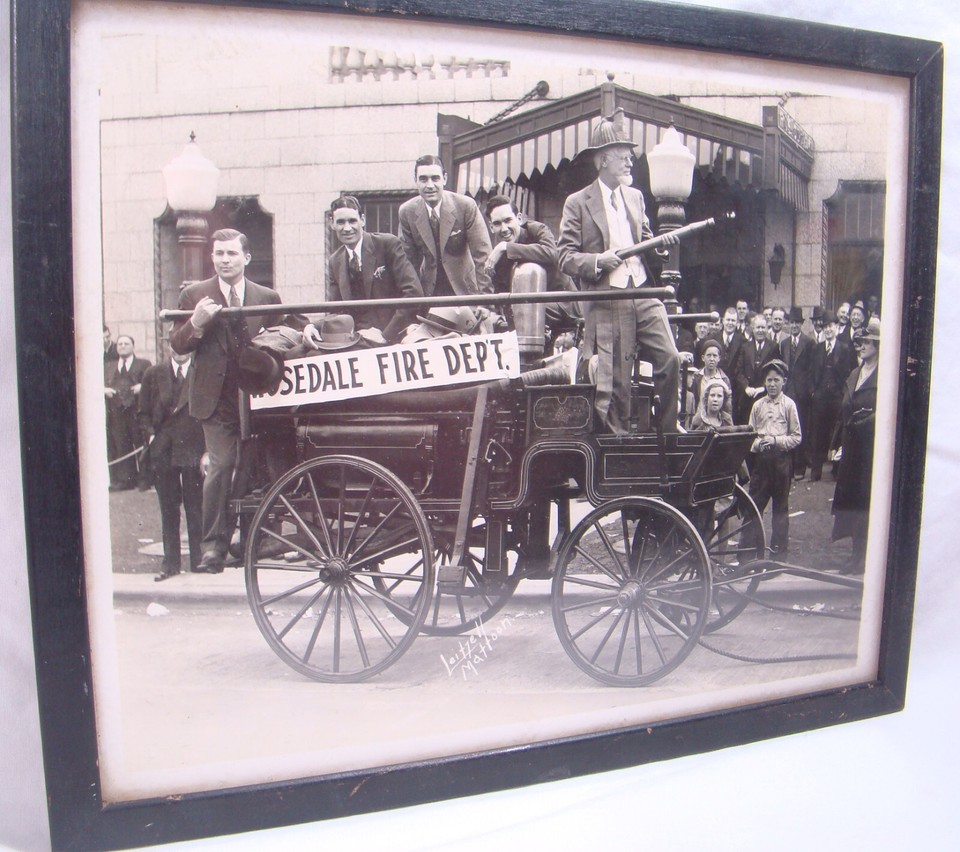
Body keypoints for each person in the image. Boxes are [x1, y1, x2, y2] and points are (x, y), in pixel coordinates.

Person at [170, 228, 301, 573]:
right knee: (222, 464)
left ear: (246, 258)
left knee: (260, 466)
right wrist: (196, 324)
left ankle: (259, 538)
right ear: (212, 257)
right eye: (219, 254)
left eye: (231, 254)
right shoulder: (194, 295)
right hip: (216, 398)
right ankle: (213, 546)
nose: (224, 260)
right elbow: (179, 344)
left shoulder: (266, 296)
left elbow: (290, 327)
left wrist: (308, 331)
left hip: (259, 393)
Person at [557, 112, 679, 434]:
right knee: (617, 386)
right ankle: (619, 452)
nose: (630, 163)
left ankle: (665, 438)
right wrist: (598, 261)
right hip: (609, 298)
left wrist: (661, 249)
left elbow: (647, 242)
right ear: (602, 160)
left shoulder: (636, 198)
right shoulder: (577, 203)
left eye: (629, 156)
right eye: (623, 157)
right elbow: (564, 256)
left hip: (642, 292)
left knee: (670, 359)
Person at [305, 195, 423, 347]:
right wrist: (314, 326)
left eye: (352, 221)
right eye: (340, 222)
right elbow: (336, 311)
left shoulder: (387, 244)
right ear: (332, 224)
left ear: (362, 220)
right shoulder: (335, 261)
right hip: (354, 339)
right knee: (298, 353)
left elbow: (413, 293)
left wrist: (385, 335)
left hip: (392, 337)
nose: (347, 228)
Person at [138, 345, 205, 581]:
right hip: (163, 450)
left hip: (192, 448)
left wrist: (206, 452)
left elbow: (210, 412)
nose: (180, 351)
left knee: (195, 506)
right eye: (176, 345)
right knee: (168, 508)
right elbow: (143, 413)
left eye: (186, 346)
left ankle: (198, 561)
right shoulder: (153, 374)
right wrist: (150, 435)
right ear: (168, 346)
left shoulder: (200, 372)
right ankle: (171, 564)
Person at [483, 194, 580, 337]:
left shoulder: (536, 230)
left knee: (526, 311)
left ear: (520, 218)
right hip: (528, 318)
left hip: (564, 306)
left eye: (508, 220)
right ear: (491, 227)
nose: (504, 229)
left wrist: (507, 247)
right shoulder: (498, 258)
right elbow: (505, 303)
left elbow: (551, 253)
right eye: (497, 223)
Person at [398, 154, 493, 298]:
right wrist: (412, 302)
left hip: (465, 291)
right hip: (429, 293)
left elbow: (483, 257)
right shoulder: (407, 212)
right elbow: (407, 262)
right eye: (423, 179)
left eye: (435, 178)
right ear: (415, 181)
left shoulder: (466, 206)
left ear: (445, 179)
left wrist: (486, 301)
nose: (430, 186)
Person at [832, 318, 880, 574]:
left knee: (866, 501)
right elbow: (843, 410)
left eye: (866, 342)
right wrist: (837, 442)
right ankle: (855, 555)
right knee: (850, 500)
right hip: (852, 448)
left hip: (871, 451)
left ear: (877, 345)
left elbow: (886, 410)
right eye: (859, 342)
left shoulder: (885, 374)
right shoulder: (854, 373)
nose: (860, 346)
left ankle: (865, 557)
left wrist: (866, 421)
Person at [747, 359, 801, 555]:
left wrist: (776, 440)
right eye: (768, 380)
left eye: (776, 380)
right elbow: (749, 436)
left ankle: (777, 559)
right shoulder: (757, 406)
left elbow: (796, 437)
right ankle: (747, 556)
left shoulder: (789, 405)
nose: (771, 384)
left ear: (784, 381)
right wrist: (758, 443)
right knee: (753, 507)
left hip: (781, 462)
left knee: (780, 511)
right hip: (761, 463)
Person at [808, 308, 857, 482]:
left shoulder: (844, 349)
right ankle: (815, 471)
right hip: (820, 397)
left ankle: (837, 469)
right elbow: (812, 371)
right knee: (818, 433)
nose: (828, 330)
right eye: (825, 327)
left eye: (831, 326)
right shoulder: (818, 349)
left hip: (837, 396)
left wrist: (844, 393)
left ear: (837, 327)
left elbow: (849, 373)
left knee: (837, 432)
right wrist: (813, 391)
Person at [104, 334, 152, 491]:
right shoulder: (109, 366)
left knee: (141, 443)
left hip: (136, 411)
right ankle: (126, 480)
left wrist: (141, 387)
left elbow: (151, 384)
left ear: (133, 346)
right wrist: (105, 389)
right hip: (117, 412)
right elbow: (99, 384)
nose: (122, 346)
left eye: (126, 343)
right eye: (120, 344)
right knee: (121, 444)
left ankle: (145, 479)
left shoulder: (144, 364)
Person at [780, 306, 815, 479]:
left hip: (802, 393)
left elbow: (811, 368)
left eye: (797, 323)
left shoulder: (809, 343)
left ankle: (799, 468)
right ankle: (789, 467)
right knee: (787, 429)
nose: (794, 326)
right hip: (787, 391)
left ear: (801, 324)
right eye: (792, 322)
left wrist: (808, 389)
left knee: (800, 429)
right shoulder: (784, 344)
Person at [733, 313, 778, 424]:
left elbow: (775, 371)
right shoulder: (745, 347)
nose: (760, 330)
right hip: (747, 398)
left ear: (767, 329)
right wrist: (746, 387)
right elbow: (738, 371)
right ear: (753, 329)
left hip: (765, 396)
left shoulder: (774, 347)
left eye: (763, 327)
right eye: (758, 327)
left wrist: (763, 388)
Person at [688, 338, 733, 424]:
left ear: (719, 358)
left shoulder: (724, 379)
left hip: (718, 422)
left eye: (715, 356)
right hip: (698, 421)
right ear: (703, 357)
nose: (712, 359)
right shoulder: (696, 377)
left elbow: (728, 407)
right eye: (708, 355)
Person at [717, 306, 745, 375]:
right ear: (723, 320)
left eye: (733, 320)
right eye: (728, 320)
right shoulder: (714, 339)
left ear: (737, 323)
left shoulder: (743, 341)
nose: (730, 323)